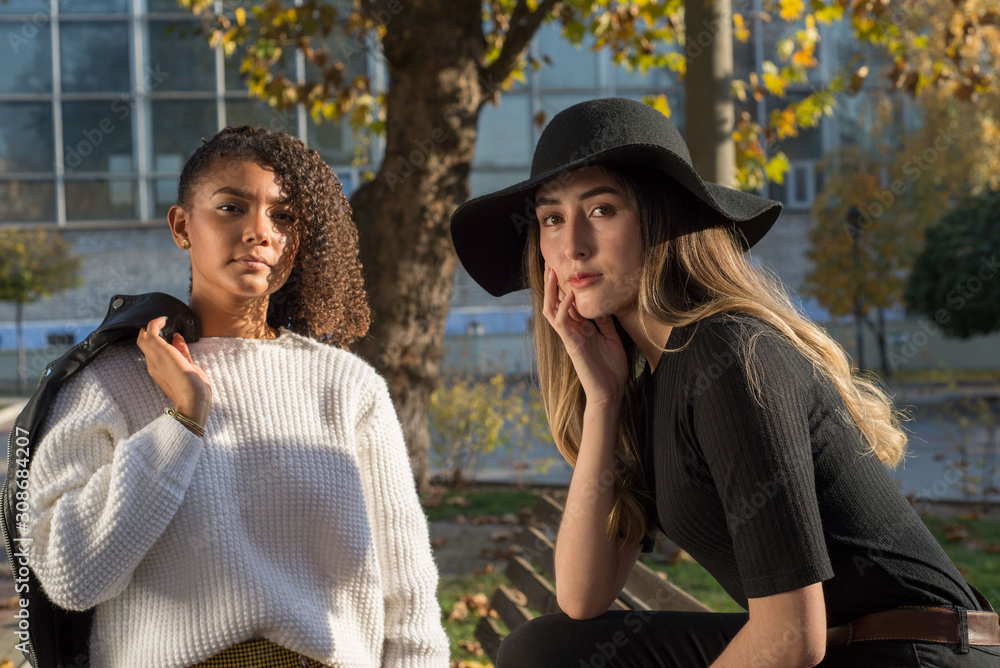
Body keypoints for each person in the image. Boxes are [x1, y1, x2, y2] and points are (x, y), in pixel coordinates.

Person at [449, 97, 1000, 667]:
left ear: (664, 219)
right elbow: (581, 596)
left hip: (917, 654)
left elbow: (792, 637)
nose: (572, 246)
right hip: (840, 649)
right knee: (547, 651)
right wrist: (604, 400)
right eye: (551, 219)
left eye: (602, 209)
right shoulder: (652, 386)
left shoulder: (730, 355)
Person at [26, 125, 450, 668]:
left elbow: (409, 601)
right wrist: (181, 421)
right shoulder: (109, 382)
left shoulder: (348, 388)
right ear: (182, 226)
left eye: (284, 216)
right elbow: (70, 577)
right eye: (231, 208)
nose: (259, 232)